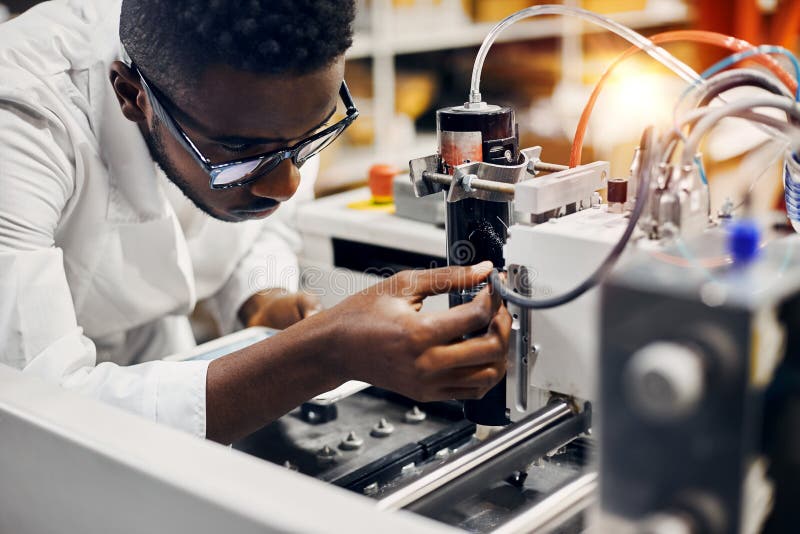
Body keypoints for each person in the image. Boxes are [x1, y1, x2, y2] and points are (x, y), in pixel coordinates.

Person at [0, 0, 510, 445]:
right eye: (241, 153)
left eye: (308, 138)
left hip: (158, 366)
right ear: (133, 97)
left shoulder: (272, 100)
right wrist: (325, 355)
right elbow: (36, 410)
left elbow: (259, 232)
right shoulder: (23, 117)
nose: (287, 184)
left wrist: (261, 300)